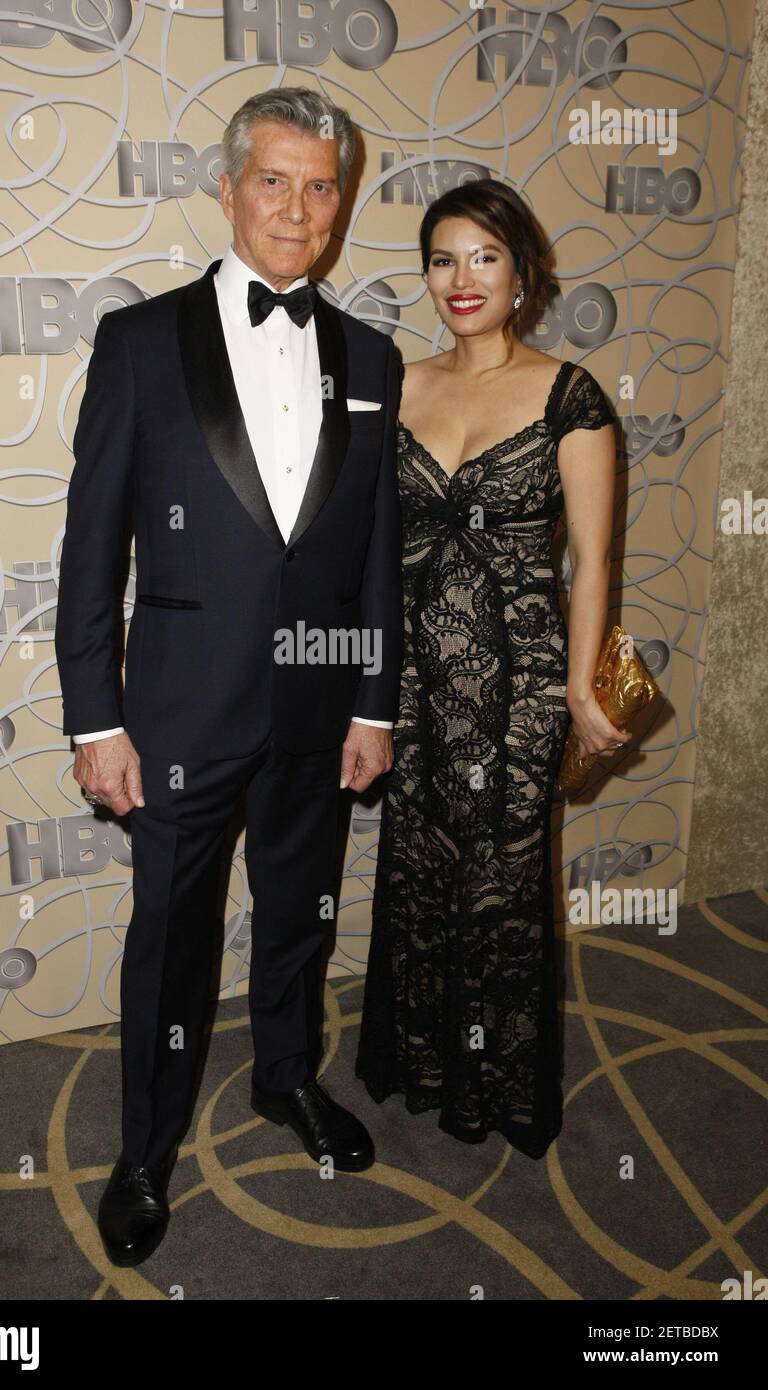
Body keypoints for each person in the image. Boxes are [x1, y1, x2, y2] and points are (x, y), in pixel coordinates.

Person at [54, 87, 404, 1266]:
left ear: (340, 203)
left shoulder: (372, 356)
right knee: (172, 936)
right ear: (227, 188)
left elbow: (373, 552)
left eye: (320, 187)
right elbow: (92, 546)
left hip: (319, 700)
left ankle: (286, 1076)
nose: (296, 210)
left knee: (300, 913)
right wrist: (94, 719)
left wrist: (372, 701)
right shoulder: (140, 341)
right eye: (273, 180)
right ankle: (146, 1149)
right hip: (178, 709)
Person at [355, 179, 630, 1159]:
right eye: (442, 259)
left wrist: (582, 690)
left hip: (520, 684)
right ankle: (423, 1064)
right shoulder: (397, 384)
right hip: (414, 682)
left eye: (483, 257)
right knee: (420, 871)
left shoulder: (569, 395)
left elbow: (591, 561)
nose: (461, 279)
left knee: (502, 886)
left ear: (521, 273)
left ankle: (499, 1089)